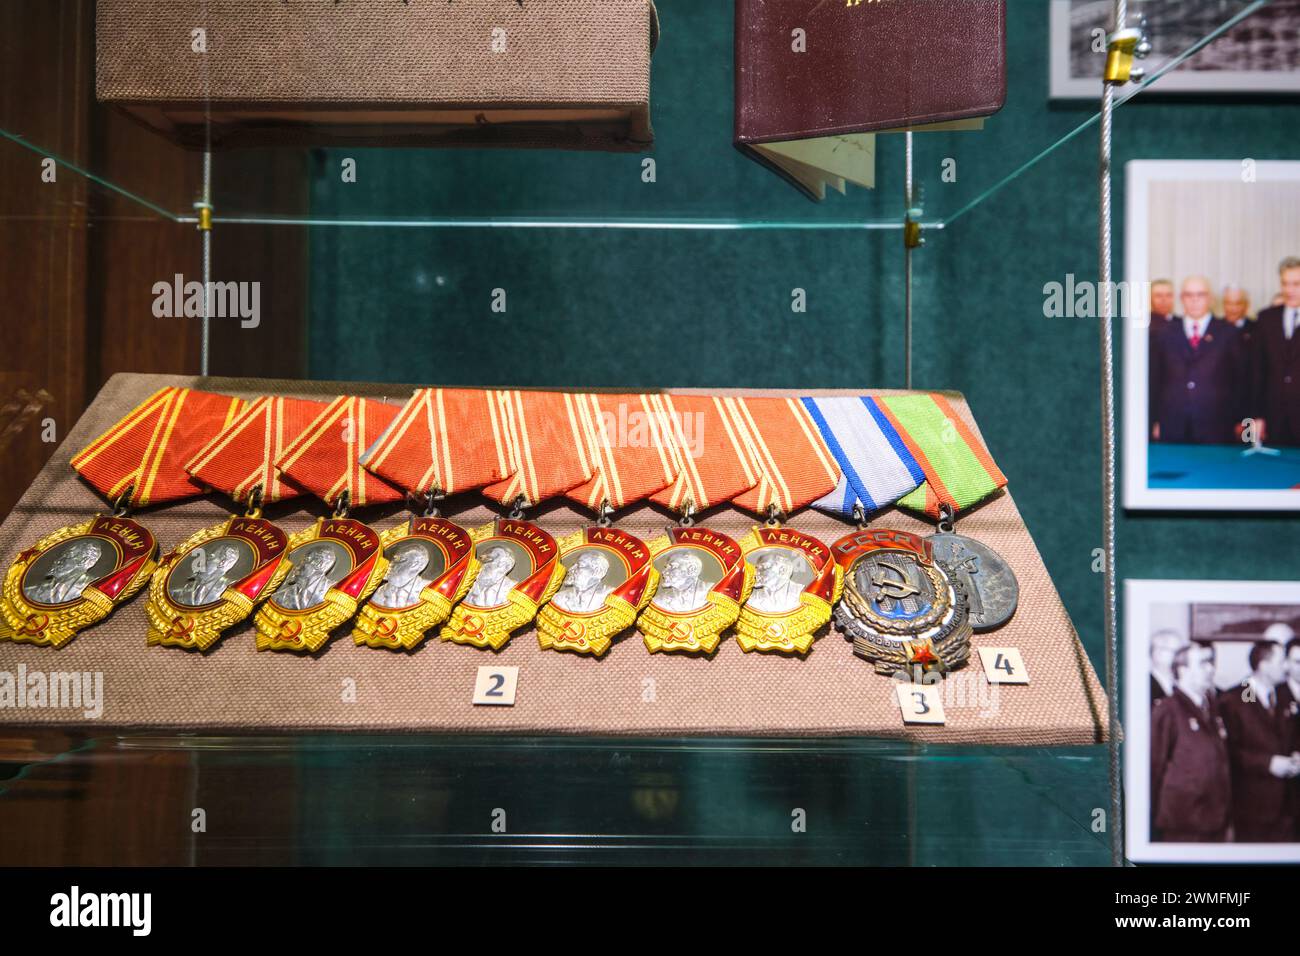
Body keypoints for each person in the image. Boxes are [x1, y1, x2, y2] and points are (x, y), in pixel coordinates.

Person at [1219, 640, 1300, 842]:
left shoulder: (1284, 696)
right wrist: (1268, 763)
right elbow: (1227, 752)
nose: (1287, 667)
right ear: (1263, 666)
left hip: (1289, 807)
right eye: (1282, 661)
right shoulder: (1235, 699)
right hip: (1252, 808)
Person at [1150, 643, 1231, 842]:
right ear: (1182, 669)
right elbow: (1154, 769)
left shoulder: (1213, 708)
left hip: (1215, 820)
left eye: (1211, 663)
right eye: (1203, 664)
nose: (1211, 669)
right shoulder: (1167, 710)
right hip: (1183, 824)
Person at [1149, 275, 1244, 444]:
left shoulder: (1228, 332)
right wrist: (1154, 420)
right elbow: (1155, 379)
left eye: (1200, 295)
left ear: (1211, 298)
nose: (1194, 300)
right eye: (1189, 295)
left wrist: (1241, 420)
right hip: (1172, 423)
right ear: (1181, 299)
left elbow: (1240, 380)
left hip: (1216, 423)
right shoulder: (1164, 333)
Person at [1251, 257, 1300, 447]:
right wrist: (1256, 416)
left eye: (1296, 284)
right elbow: (1257, 371)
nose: (1289, 290)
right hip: (1274, 416)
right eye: (1285, 283)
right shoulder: (1266, 318)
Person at [26, 539, 103, 604]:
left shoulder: (95, 588)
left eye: (67, 556)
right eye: (62, 556)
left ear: (84, 560)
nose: (57, 561)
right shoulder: (31, 592)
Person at [173, 543, 240, 607]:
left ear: (222, 563)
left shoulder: (230, 588)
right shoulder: (190, 581)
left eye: (211, 557)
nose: (204, 560)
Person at [277, 545, 338, 611]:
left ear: (319, 564)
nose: (297, 566)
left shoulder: (334, 590)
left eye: (305, 560)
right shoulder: (281, 596)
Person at [373, 543, 432, 608]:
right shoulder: (378, 591)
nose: (390, 564)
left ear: (414, 564)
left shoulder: (429, 589)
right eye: (393, 559)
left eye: (399, 559)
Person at [1150, 628, 1188, 707]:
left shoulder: (1180, 686)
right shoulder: (1146, 686)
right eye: (1177, 652)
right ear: (1157, 653)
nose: (1181, 658)